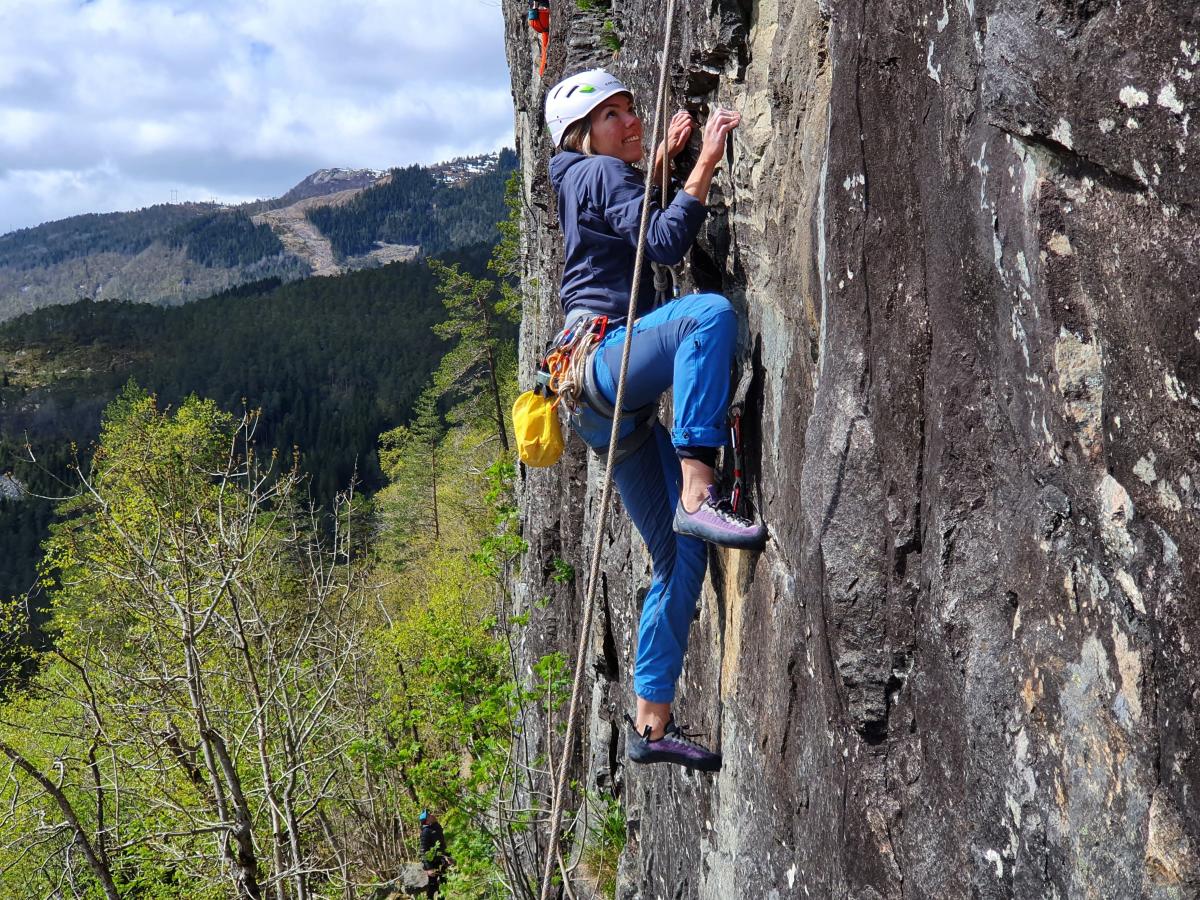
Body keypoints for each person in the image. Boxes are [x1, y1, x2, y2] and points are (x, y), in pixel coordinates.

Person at [544, 69, 767, 772]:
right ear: (583, 135)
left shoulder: (583, 180)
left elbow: (633, 226)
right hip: (604, 360)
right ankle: (700, 488)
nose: (630, 121)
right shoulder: (599, 173)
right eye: (612, 116)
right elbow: (665, 244)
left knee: (680, 556)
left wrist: (665, 164)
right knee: (707, 314)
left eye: (631, 109)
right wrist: (703, 161)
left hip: (597, 401)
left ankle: (651, 720)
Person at [418, 810, 449, 898]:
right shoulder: (426, 832)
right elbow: (423, 850)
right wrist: (429, 868)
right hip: (432, 863)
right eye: (429, 815)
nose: (432, 815)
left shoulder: (437, 827)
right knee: (432, 886)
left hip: (442, 860)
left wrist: (447, 857)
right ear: (427, 821)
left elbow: (442, 845)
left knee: (444, 884)